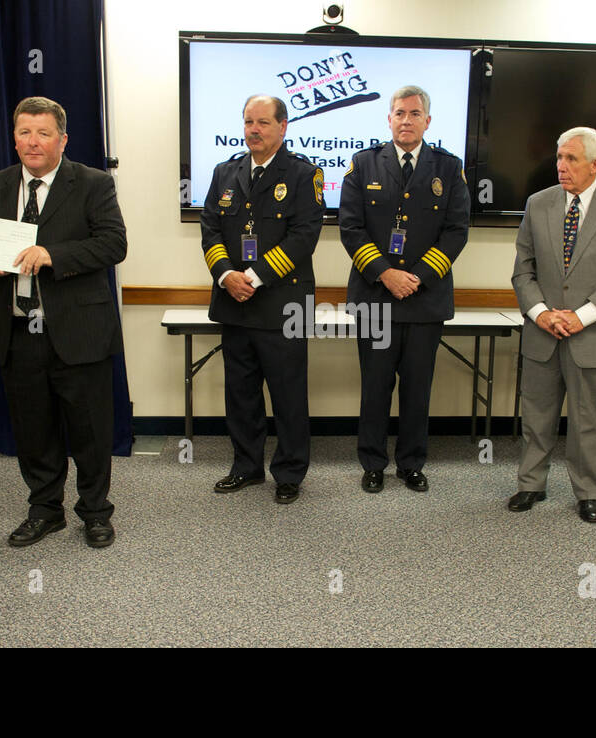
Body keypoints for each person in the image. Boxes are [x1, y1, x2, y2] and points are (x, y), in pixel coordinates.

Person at [0, 96, 127, 548]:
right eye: (24, 132)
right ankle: (44, 510)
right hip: (19, 332)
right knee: (33, 429)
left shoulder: (94, 183)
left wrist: (53, 255)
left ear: (63, 139)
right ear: (14, 137)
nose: (33, 142)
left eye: (43, 133)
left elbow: (113, 245)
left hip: (79, 332)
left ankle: (96, 512)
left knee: (90, 431)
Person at [509, 127, 596, 523]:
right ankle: (530, 484)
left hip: (595, 333)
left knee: (587, 420)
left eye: (571, 159)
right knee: (536, 415)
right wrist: (542, 313)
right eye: (558, 157)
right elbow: (523, 270)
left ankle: (587, 492)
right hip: (543, 331)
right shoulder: (538, 203)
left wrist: (580, 315)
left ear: (595, 164)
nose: (561, 166)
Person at [339, 85, 469, 494]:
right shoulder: (362, 164)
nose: (406, 120)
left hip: (424, 299)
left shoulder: (448, 167)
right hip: (376, 297)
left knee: (417, 389)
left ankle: (411, 463)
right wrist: (385, 273)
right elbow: (351, 227)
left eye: (414, 114)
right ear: (389, 119)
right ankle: (373, 463)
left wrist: (417, 277)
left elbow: (456, 231)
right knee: (375, 387)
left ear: (427, 121)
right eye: (399, 113)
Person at [200, 94, 324, 504]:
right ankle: (246, 467)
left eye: (264, 123)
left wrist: (252, 276)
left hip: (282, 304)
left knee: (288, 394)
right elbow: (211, 231)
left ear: (283, 127)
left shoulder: (305, 174)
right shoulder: (225, 171)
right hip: (235, 302)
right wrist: (225, 275)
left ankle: (289, 473)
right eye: (249, 122)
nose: (254, 130)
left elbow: (304, 237)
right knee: (241, 393)